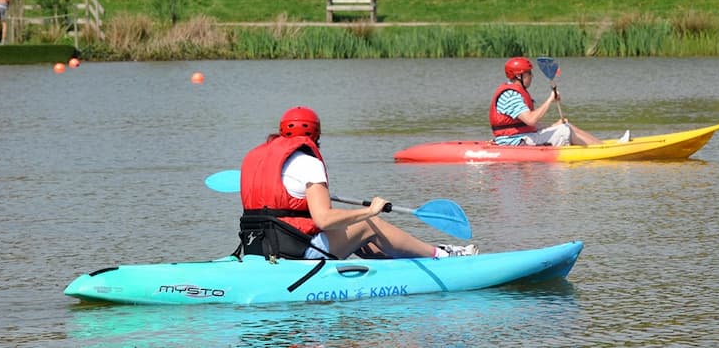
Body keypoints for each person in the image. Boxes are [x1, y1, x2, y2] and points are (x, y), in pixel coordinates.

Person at [240, 106, 476, 260]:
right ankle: (441, 254)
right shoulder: (309, 164)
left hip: (259, 248)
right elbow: (323, 219)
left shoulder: (256, 160)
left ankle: (407, 263)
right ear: (316, 135)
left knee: (361, 238)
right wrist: (369, 211)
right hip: (295, 250)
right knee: (369, 224)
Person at [490, 57, 602, 146]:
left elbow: (528, 125)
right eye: (529, 73)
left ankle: (600, 145)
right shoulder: (510, 95)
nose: (532, 76)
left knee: (566, 125)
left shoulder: (515, 93)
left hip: (522, 137)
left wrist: (553, 125)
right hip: (514, 142)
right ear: (519, 75)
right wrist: (550, 100)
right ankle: (600, 151)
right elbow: (531, 120)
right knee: (565, 131)